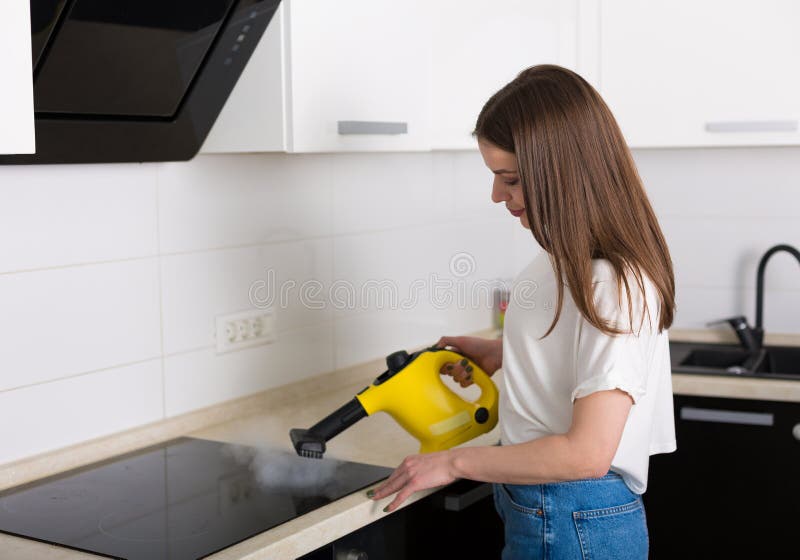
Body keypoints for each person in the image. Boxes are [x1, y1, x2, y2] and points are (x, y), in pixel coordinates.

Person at [368, 64, 677, 559]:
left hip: (573, 514)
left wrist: (453, 463)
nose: (496, 195)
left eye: (509, 179)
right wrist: (503, 352)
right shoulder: (565, 258)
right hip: (545, 505)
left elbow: (586, 454)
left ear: (561, 174)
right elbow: (578, 355)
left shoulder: (613, 284)